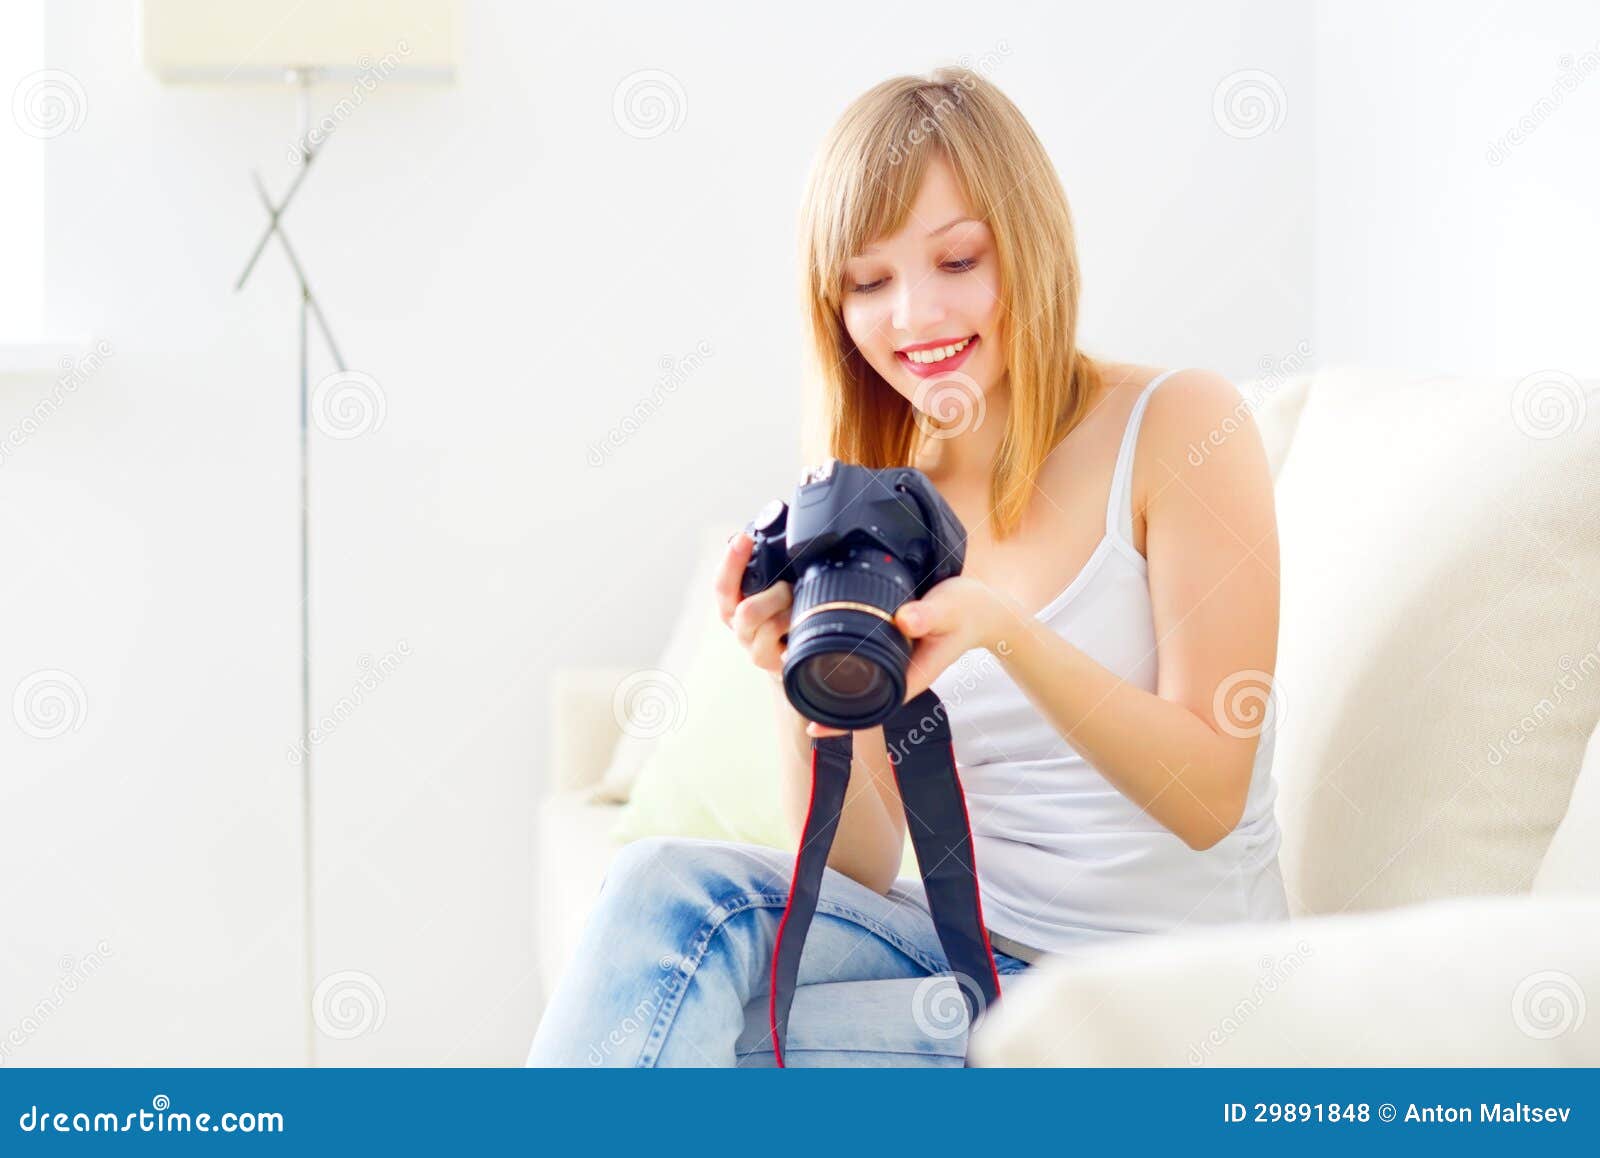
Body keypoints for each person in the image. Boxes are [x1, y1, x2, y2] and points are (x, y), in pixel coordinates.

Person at [527, 65, 1288, 1068]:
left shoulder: (1177, 426)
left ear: (1028, 246)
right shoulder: (883, 506)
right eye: (868, 281)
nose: (914, 316)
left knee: (697, 1053)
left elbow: (1209, 798)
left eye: (957, 259)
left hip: (1162, 992)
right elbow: (858, 863)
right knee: (660, 898)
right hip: (960, 956)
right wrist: (800, 687)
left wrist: (1006, 633)